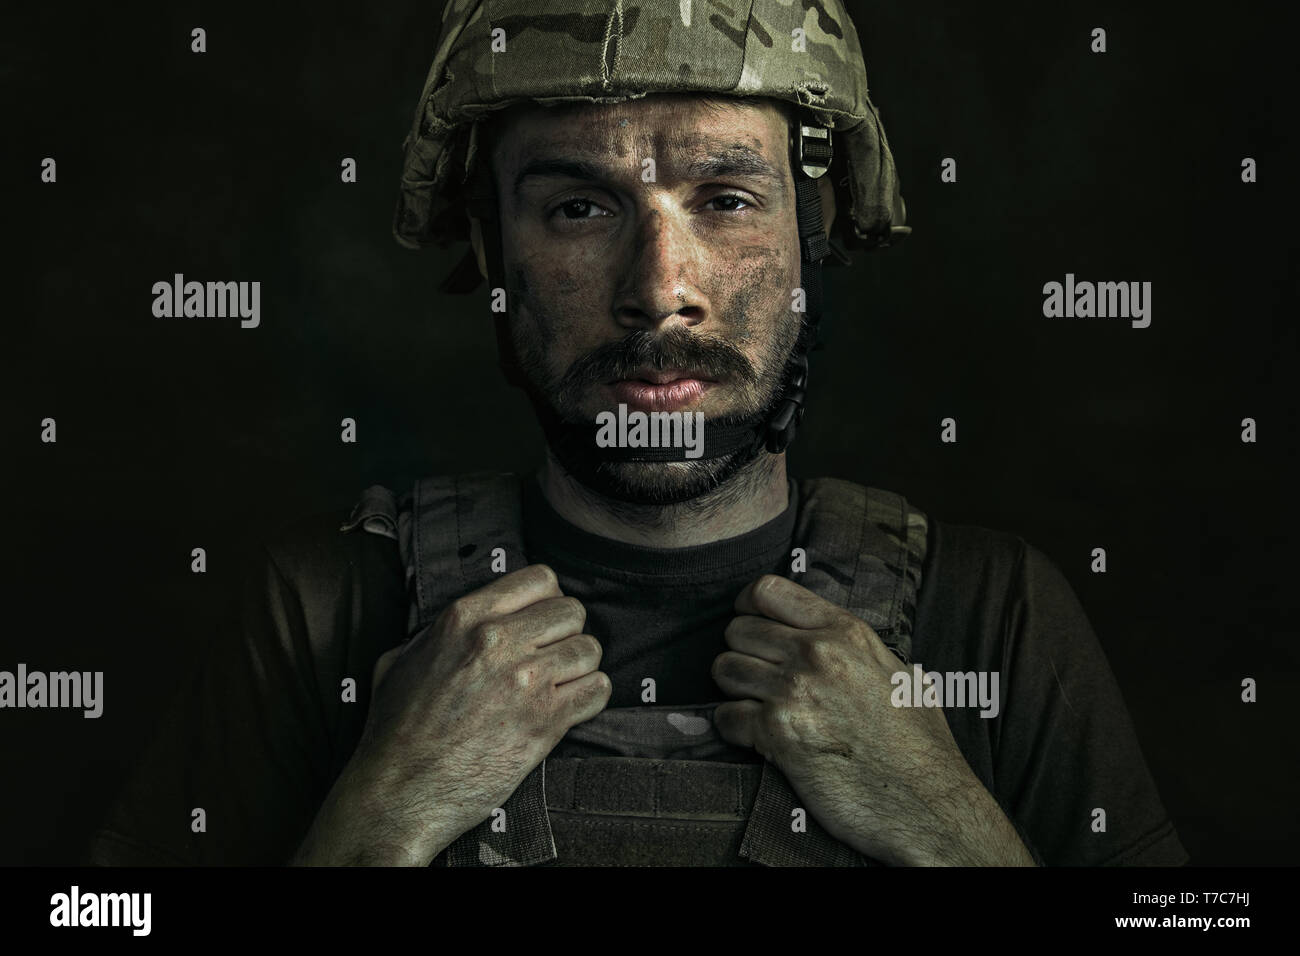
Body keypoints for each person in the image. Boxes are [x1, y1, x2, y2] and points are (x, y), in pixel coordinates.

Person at [88, 0, 1188, 867]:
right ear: (492, 249)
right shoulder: (328, 610)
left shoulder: (991, 615)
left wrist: (950, 825)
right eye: (579, 207)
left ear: (814, 237)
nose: (661, 292)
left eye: (726, 200)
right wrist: (378, 814)